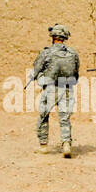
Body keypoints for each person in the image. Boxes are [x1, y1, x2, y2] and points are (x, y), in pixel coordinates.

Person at [32, 23, 80, 157]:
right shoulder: (72, 53)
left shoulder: (47, 52)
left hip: (51, 89)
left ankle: (43, 145)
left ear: (53, 37)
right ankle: (66, 144)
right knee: (64, 118)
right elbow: (76, 73)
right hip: (67, 88)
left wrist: (41, 77)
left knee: (44, 115)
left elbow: (36, 70)